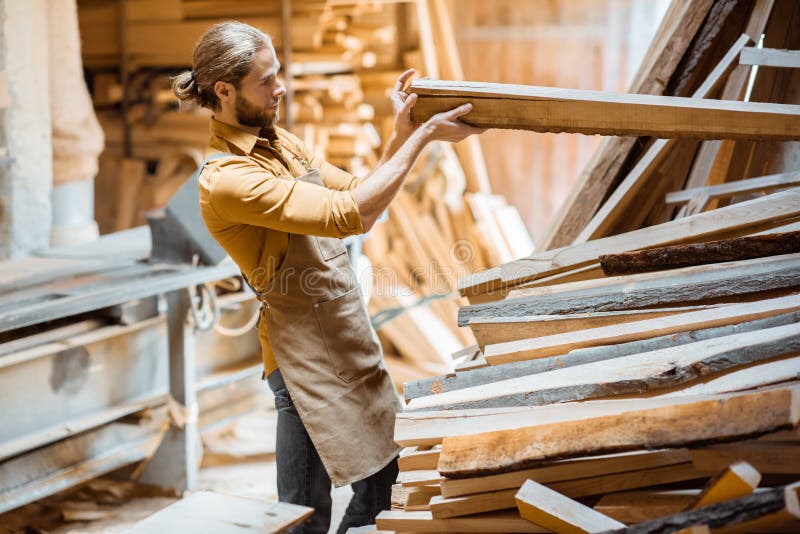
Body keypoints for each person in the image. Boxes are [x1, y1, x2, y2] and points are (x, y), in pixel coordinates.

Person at [173, 21, 484, 533]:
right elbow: (353, 215)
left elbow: (362, 194)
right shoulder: (228, 180)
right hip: (303, 364)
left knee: (385, 487)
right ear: (224, 91)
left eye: (280, 75)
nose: (281, 88)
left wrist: (405, 130)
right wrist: (426, 137)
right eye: (266, 81)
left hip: (347, 340)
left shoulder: (282, 145)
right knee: (303, 515)